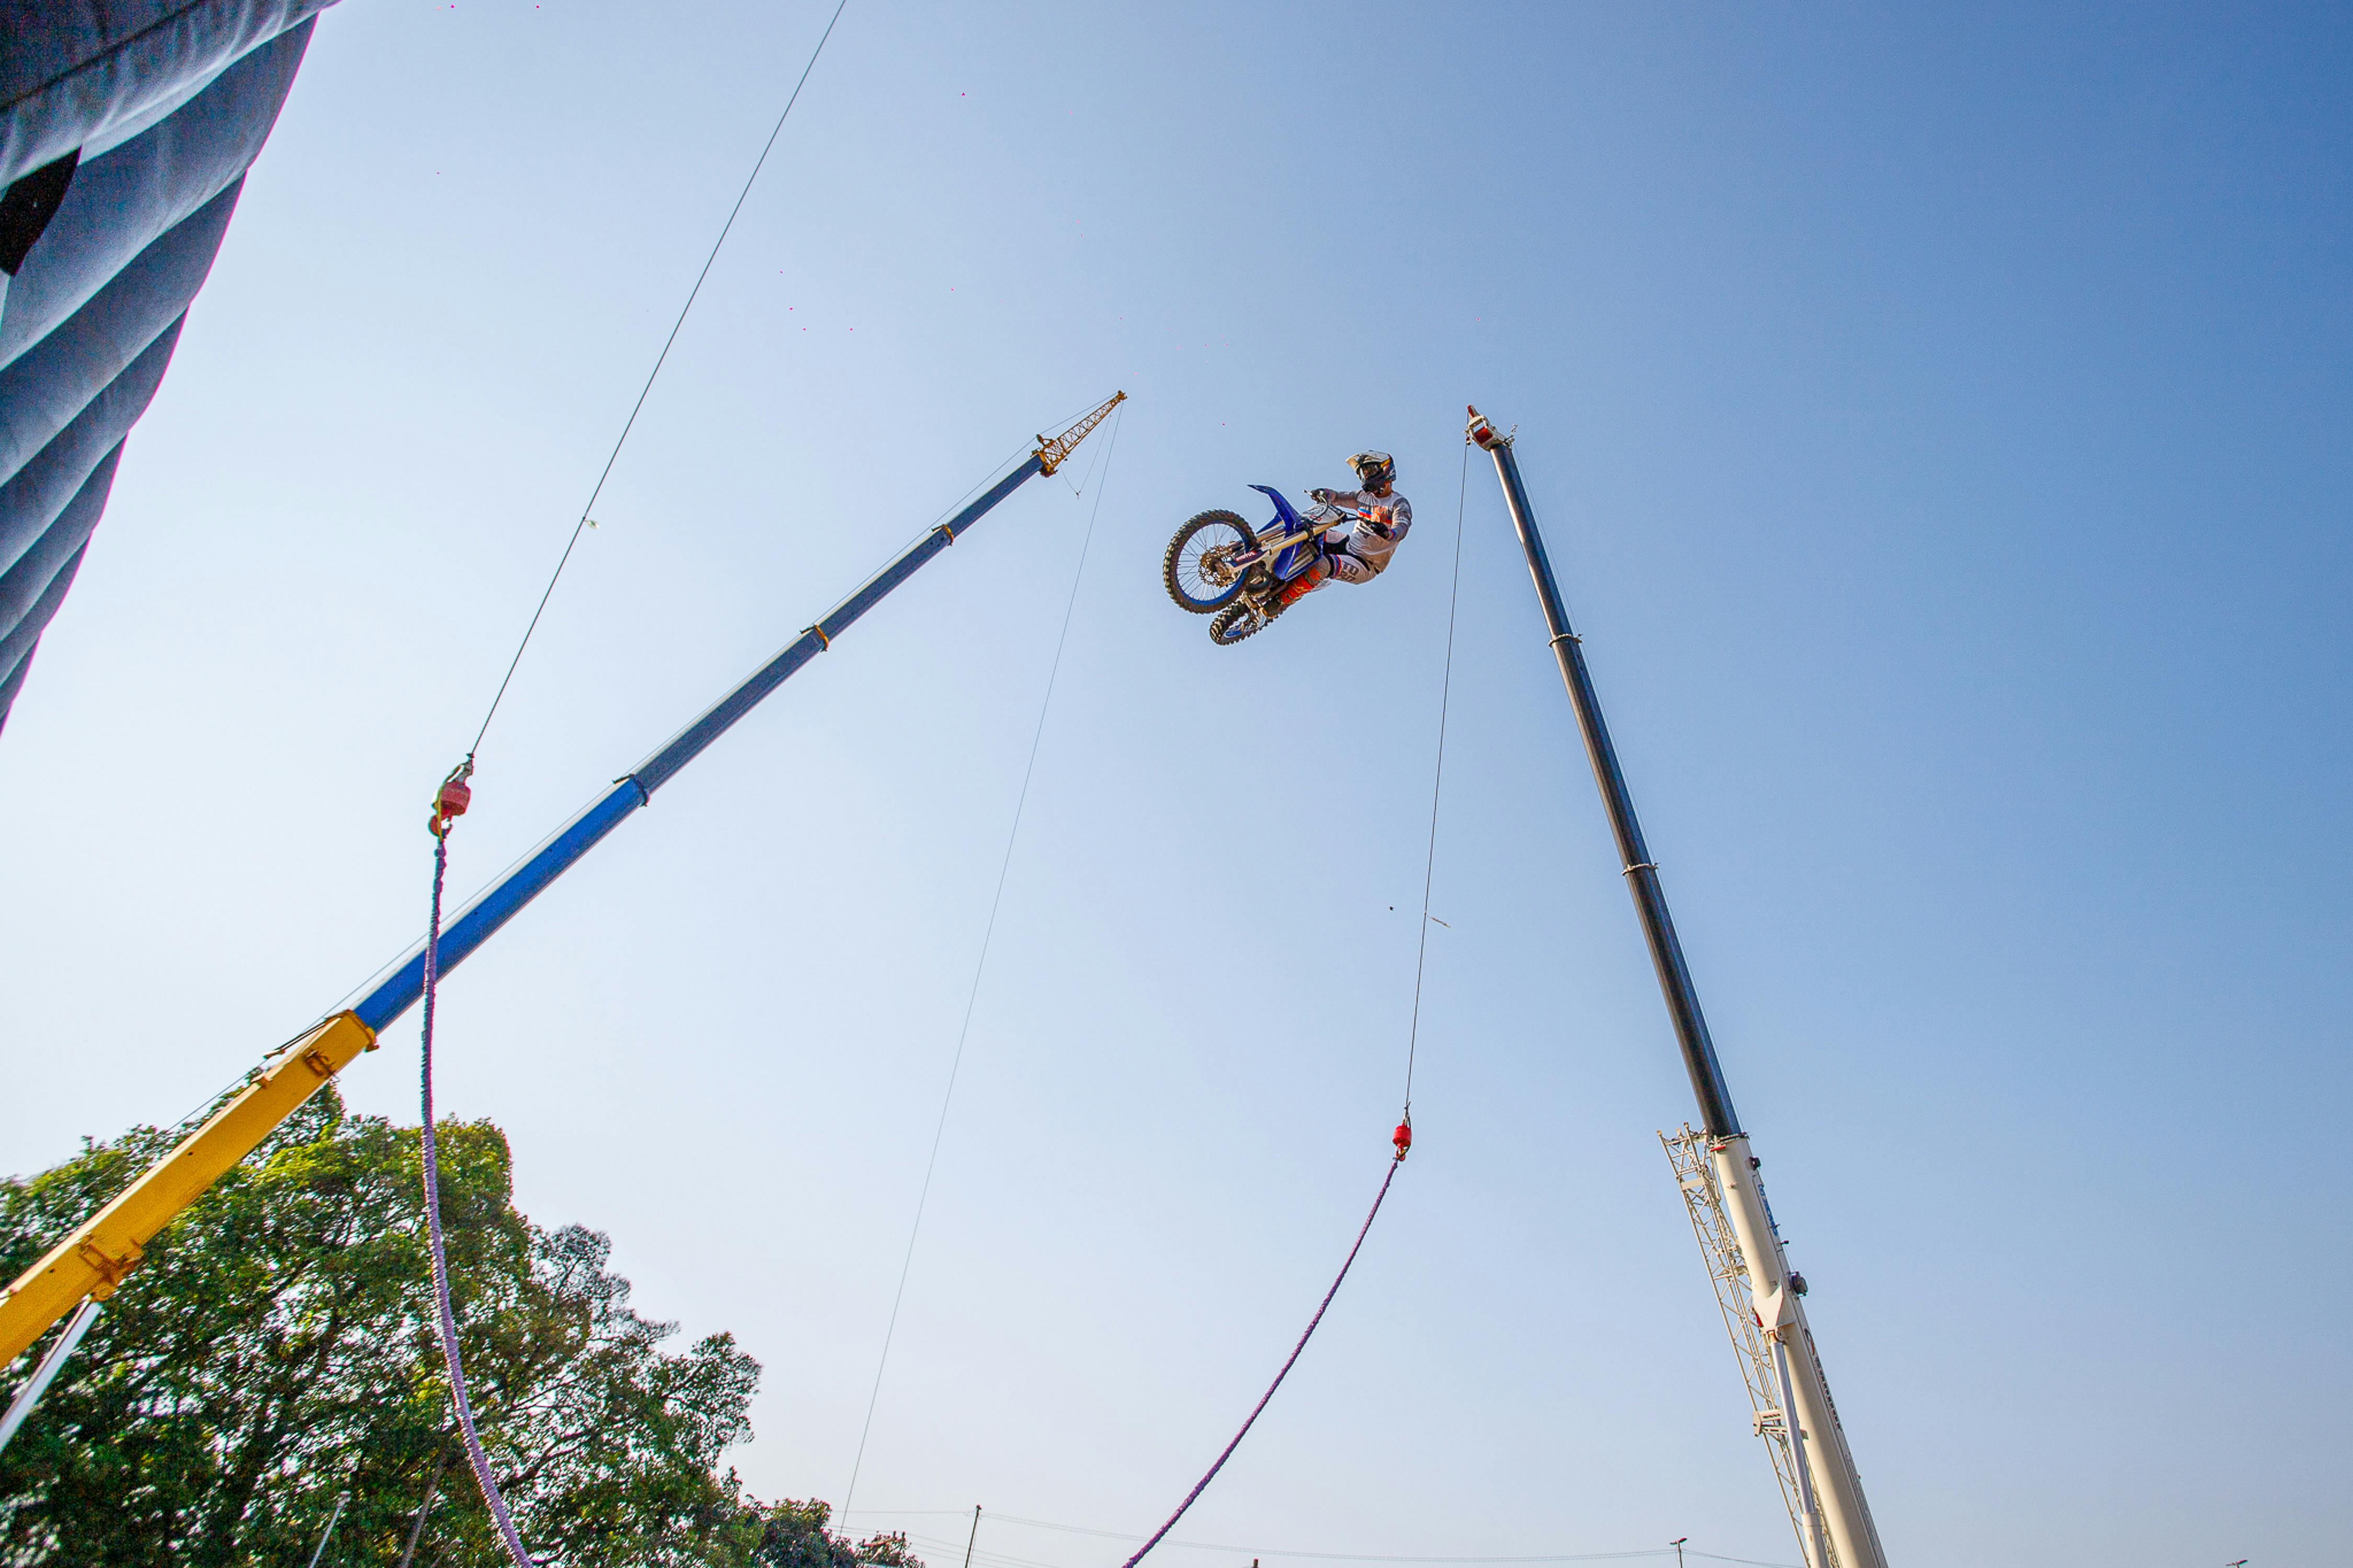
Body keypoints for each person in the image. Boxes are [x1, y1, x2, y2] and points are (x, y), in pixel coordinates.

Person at [1275, 451, 1412, 609]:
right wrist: (1325, 493)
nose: (1366, 475)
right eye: (1363, 472)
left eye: (1370, 471)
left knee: (1323, 566)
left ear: (1386, 470)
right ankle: (1269, 558)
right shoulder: (1362, 497)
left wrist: (1389, 533)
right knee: (1308, 529)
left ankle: (1281, 602)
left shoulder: (1398, 503)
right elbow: (1337, 497)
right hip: (1348, 544)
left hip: (1366, 564)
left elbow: (1402, 527)